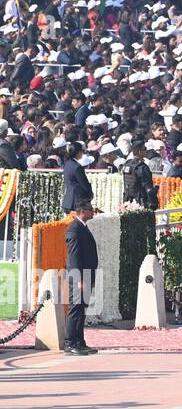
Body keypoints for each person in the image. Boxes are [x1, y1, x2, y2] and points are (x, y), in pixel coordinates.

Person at [64, 195, 99, 356]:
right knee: (75, 310)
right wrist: (79, 279)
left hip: (86, 275)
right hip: (78, 277)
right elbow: (74, 258)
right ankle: (70, 342)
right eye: (91, 210)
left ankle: (79, 341)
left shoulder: (82, 227)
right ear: (83, 211)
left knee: (81, 310)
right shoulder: (75, 229)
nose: (93, 213)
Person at [121, 142, 160, 209]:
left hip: (128, 202)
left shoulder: (127, 164)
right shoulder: (142, 168)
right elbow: (149, 190)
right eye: (144, 149)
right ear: (139, 152)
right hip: (140, 204)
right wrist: (154, 202)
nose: (146, 150)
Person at [60, 142, 93, 214]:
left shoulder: (67, 164)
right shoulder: (77, 167)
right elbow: (84, 184)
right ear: (78, 152)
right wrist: (90, 195)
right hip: (77, 201)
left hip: (68, 200)